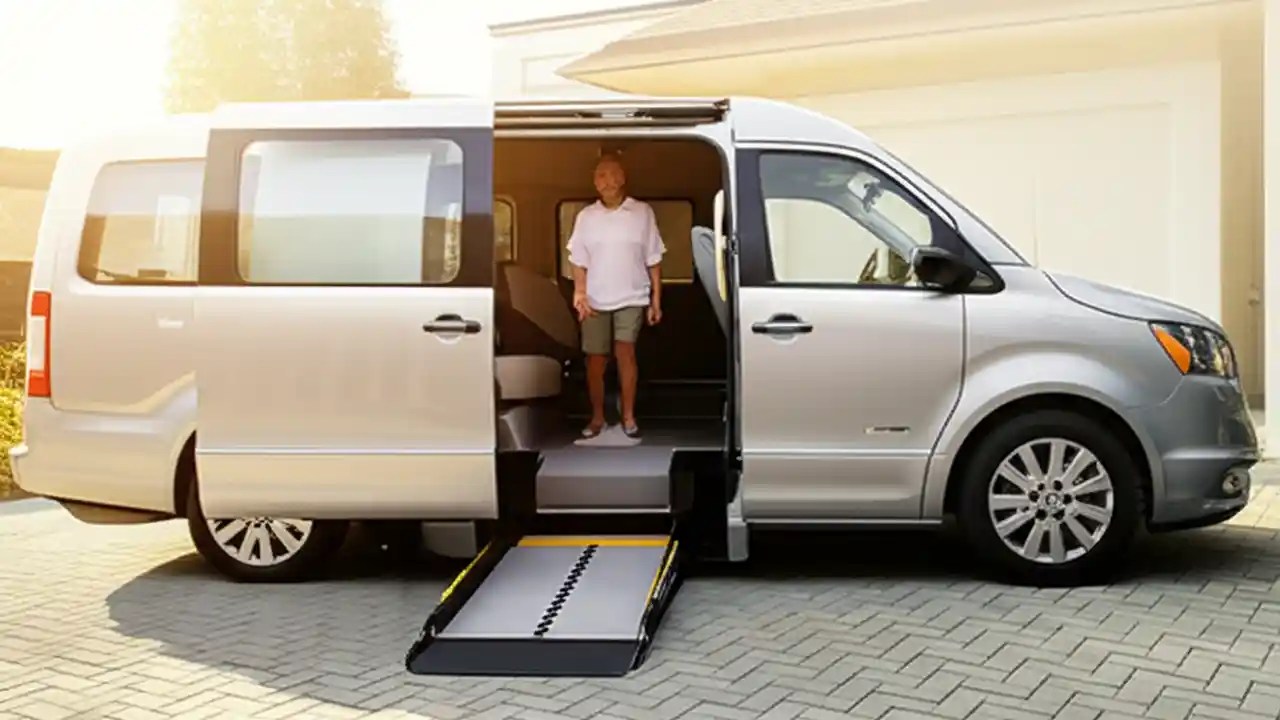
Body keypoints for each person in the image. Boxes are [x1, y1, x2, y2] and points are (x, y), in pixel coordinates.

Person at [566, 151, 665, 440]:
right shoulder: (586, 217)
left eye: (613, 174)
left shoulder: (642, 212)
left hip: (633, 296)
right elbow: (578, 258)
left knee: (625, 353)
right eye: (600, 175)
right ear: (595, 183)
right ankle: (596, 418)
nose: (607, 180)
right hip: (595, 299)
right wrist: (580, 292)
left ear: (623, 178)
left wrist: (655, 300)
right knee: (595, 360)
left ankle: (628, 417)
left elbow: (654, 258)